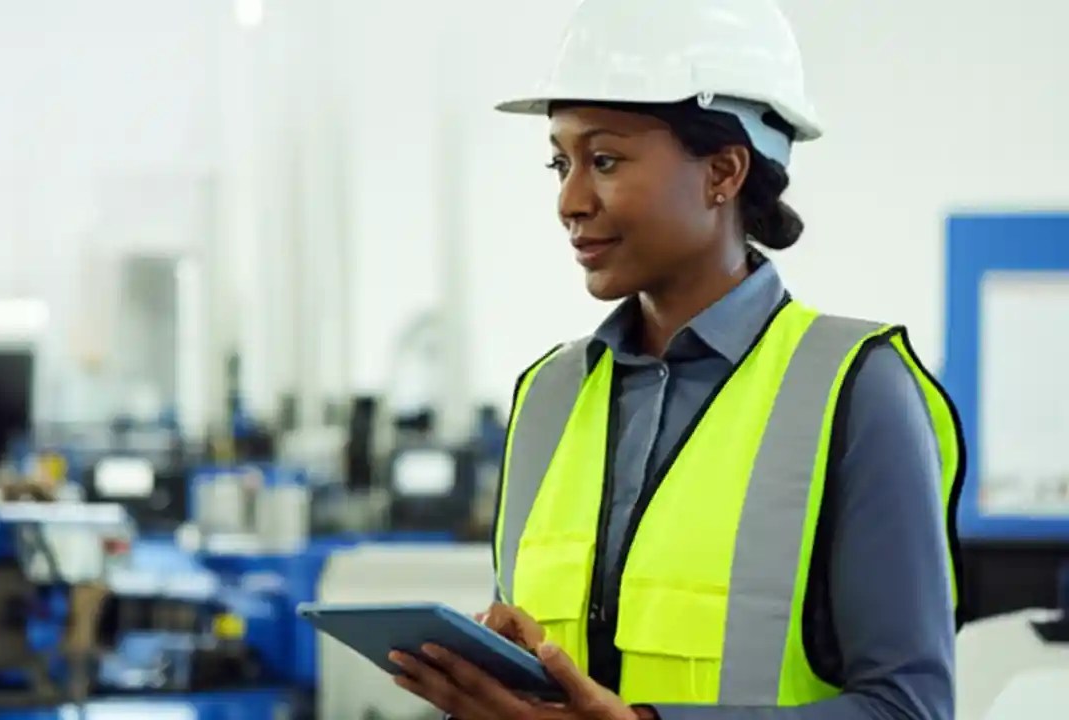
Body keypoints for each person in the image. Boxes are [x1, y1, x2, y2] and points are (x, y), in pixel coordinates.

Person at [388, 1, 966, 719]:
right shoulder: (548, 395)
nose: (569, 201)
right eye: (560, 163)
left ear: (723, 171)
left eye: (604, 161)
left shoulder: (857, 390)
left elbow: (909, 707)